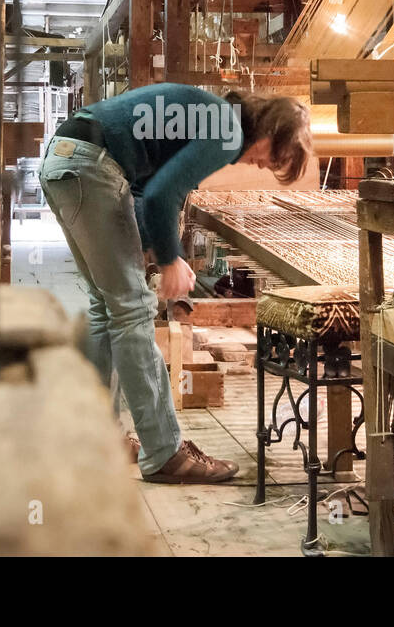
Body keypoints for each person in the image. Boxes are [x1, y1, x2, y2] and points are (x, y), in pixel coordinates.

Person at [39, 83, 313, 483]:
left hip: (66, 161)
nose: (263, 166)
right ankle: (166, 453)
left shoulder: (212, 116)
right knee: (132, 308)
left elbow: (144, 187)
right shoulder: (228, 128)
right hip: (90, 166)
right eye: (274, 157)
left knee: (108, 305)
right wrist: (170, 259)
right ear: (271, 130)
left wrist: (149, 245)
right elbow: (162, 196)